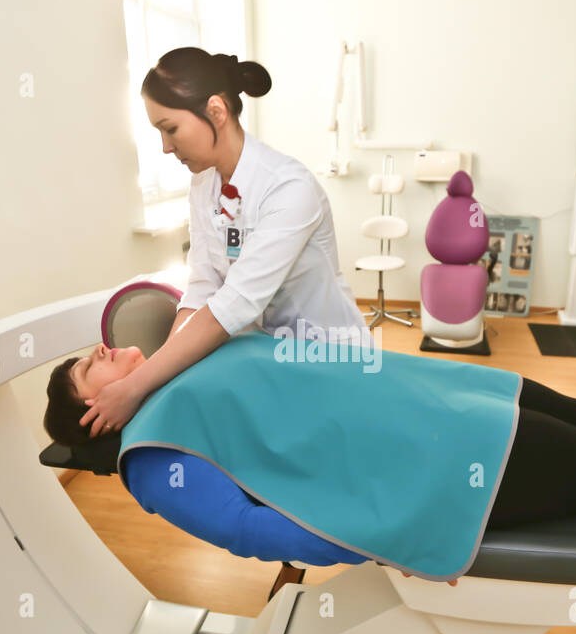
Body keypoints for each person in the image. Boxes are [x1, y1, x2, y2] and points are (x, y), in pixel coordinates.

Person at [45, 338, 576, 588]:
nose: (119, 351)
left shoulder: (174, 366)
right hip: (421, 472)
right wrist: (374, 534)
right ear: (95, 411)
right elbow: (246, 528)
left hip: (432, 411)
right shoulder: (155, 460)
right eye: (100, 363)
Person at [81, 47, 368, 438]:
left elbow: (234, 304)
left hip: (330, 358)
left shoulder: (288, 187)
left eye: (171, 129)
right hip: (265, 359)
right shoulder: (204, 184)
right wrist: (163, 375)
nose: (166, 147)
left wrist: (137, 385)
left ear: (216, 111)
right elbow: (202, 286)